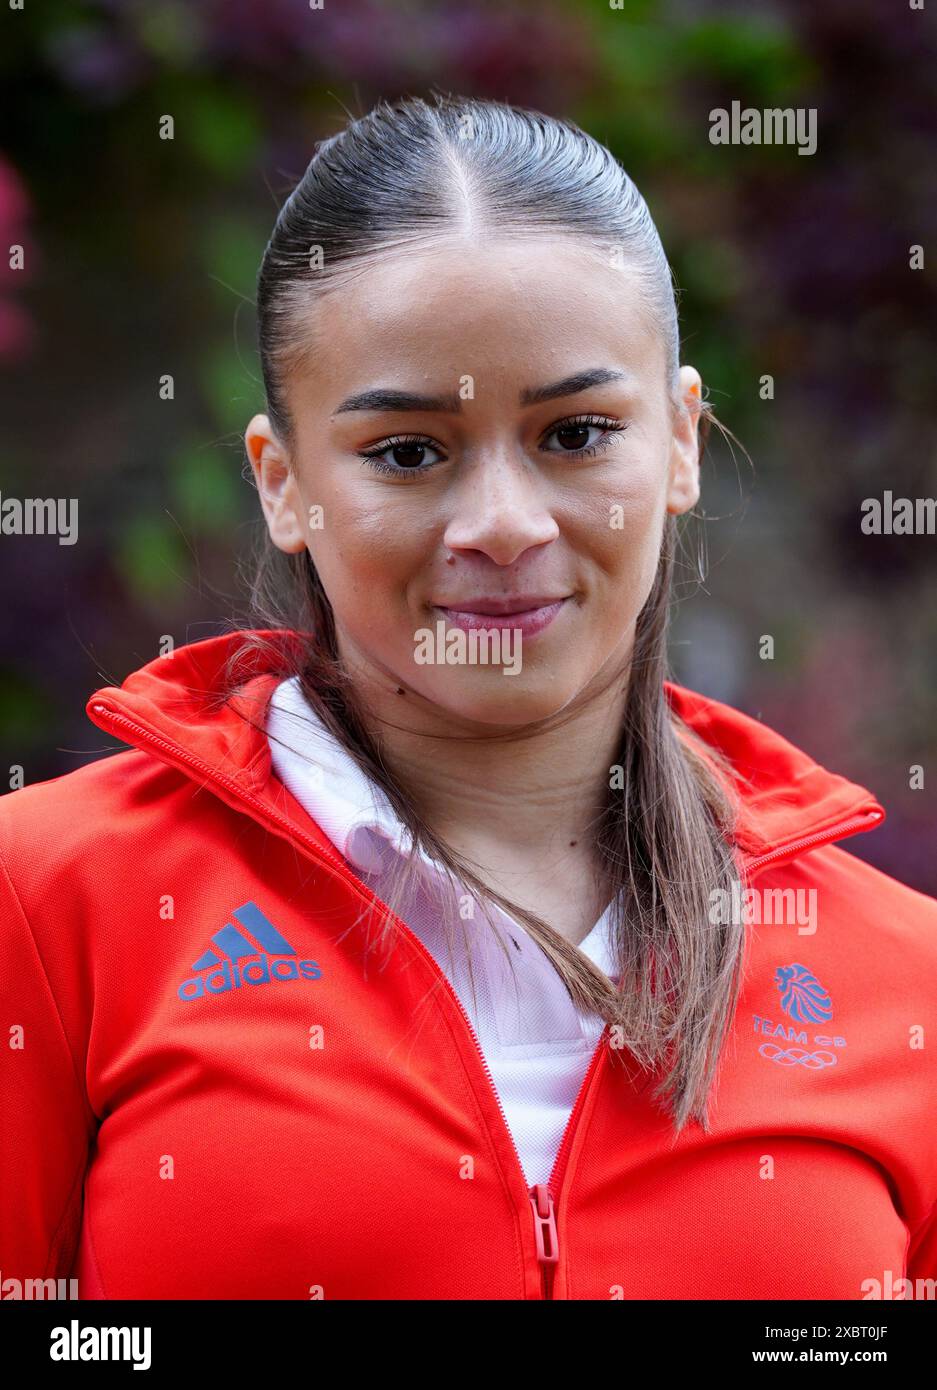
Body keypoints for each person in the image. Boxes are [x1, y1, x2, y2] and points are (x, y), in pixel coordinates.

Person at [2, 93, 935, 1302]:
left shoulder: (899, 976)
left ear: (682, 444)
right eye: (408, 452)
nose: (502, 524)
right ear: (283, 483)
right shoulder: (49, 900)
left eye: (577, 431)